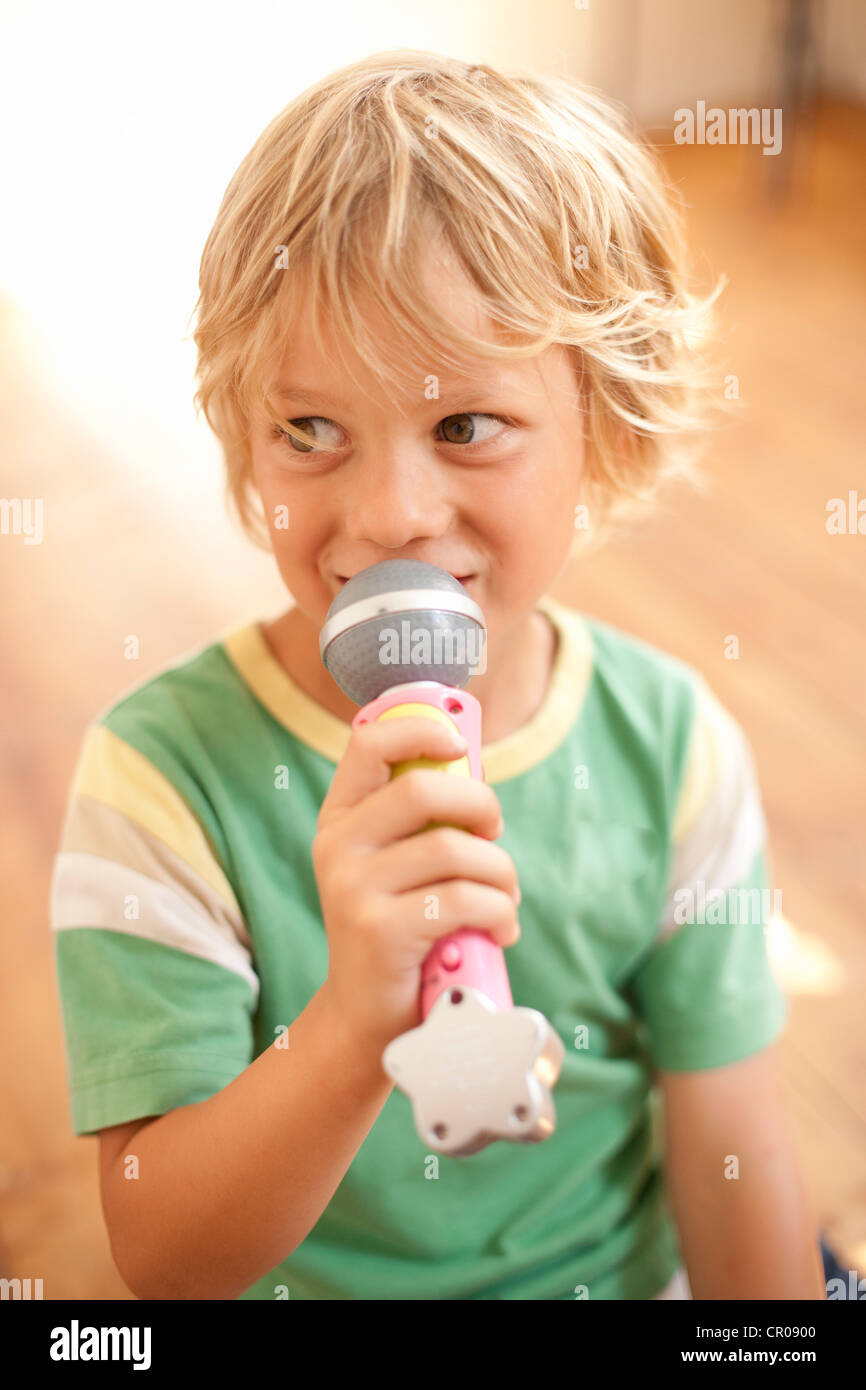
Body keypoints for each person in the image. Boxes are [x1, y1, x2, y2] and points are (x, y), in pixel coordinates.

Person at [50, 50, 826, 1301]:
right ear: (244, 432)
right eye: (311, 430)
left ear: (605, 433)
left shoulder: (672, 747)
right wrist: (355, 1021)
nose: (391, 512)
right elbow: (164, 1258)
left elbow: (733, 1146)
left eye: (463, 426)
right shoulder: (160, 780)